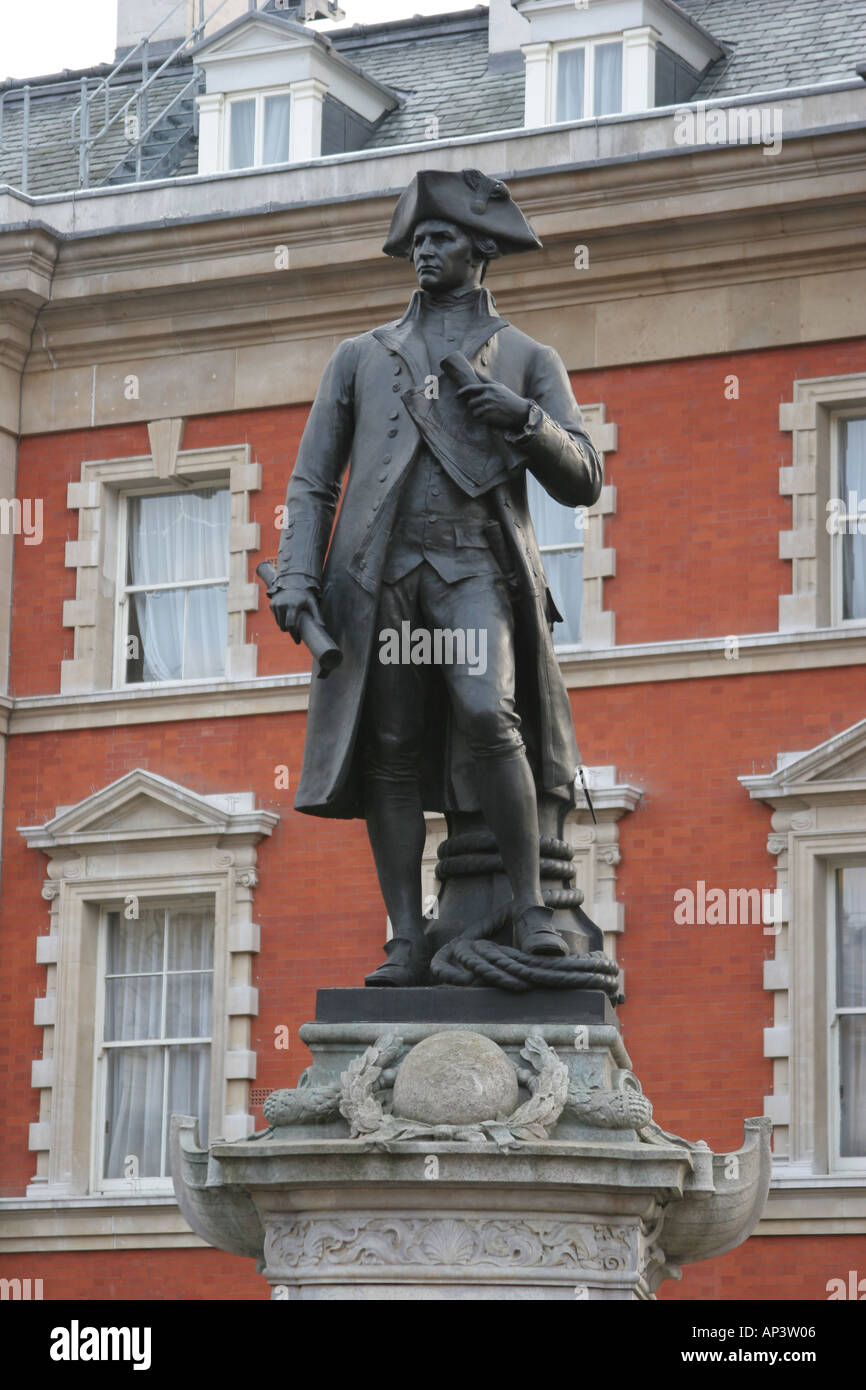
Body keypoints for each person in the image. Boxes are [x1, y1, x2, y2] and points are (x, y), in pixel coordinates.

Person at [270, 169, 603, 986]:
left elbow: (585, 476)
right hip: (377, 578)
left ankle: (528, 909)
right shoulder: (359, 356)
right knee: (389, 749)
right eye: (416, 239)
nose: (425, 249)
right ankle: (403, 937)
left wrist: (520, 420)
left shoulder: (527, 357)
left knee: (491, 715)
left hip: (471, 567)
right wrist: (295, 576)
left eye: (442, 237)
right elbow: (313, 481)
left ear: (481, 250)